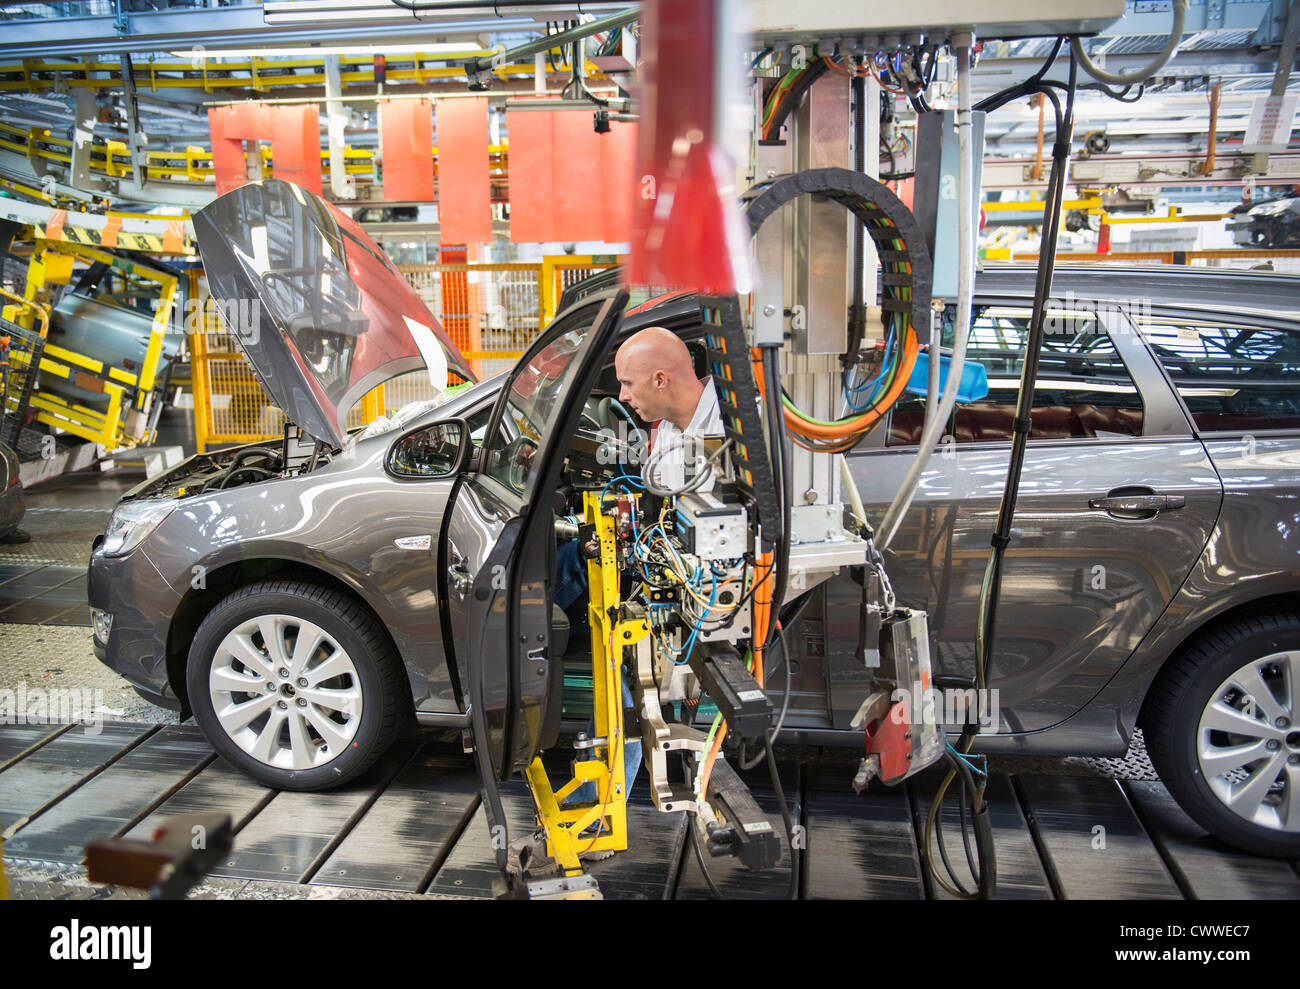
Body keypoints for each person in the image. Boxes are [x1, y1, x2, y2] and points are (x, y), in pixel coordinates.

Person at [552, 327, 723, 833]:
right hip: (663, 562)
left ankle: (596, 810)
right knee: (570, 558)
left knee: (624, 662)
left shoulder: (734, 424)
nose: (621, 396)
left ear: (661, 378)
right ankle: (533, 631)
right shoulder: (670, 421)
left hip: (706, 588)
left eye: (627, 385)